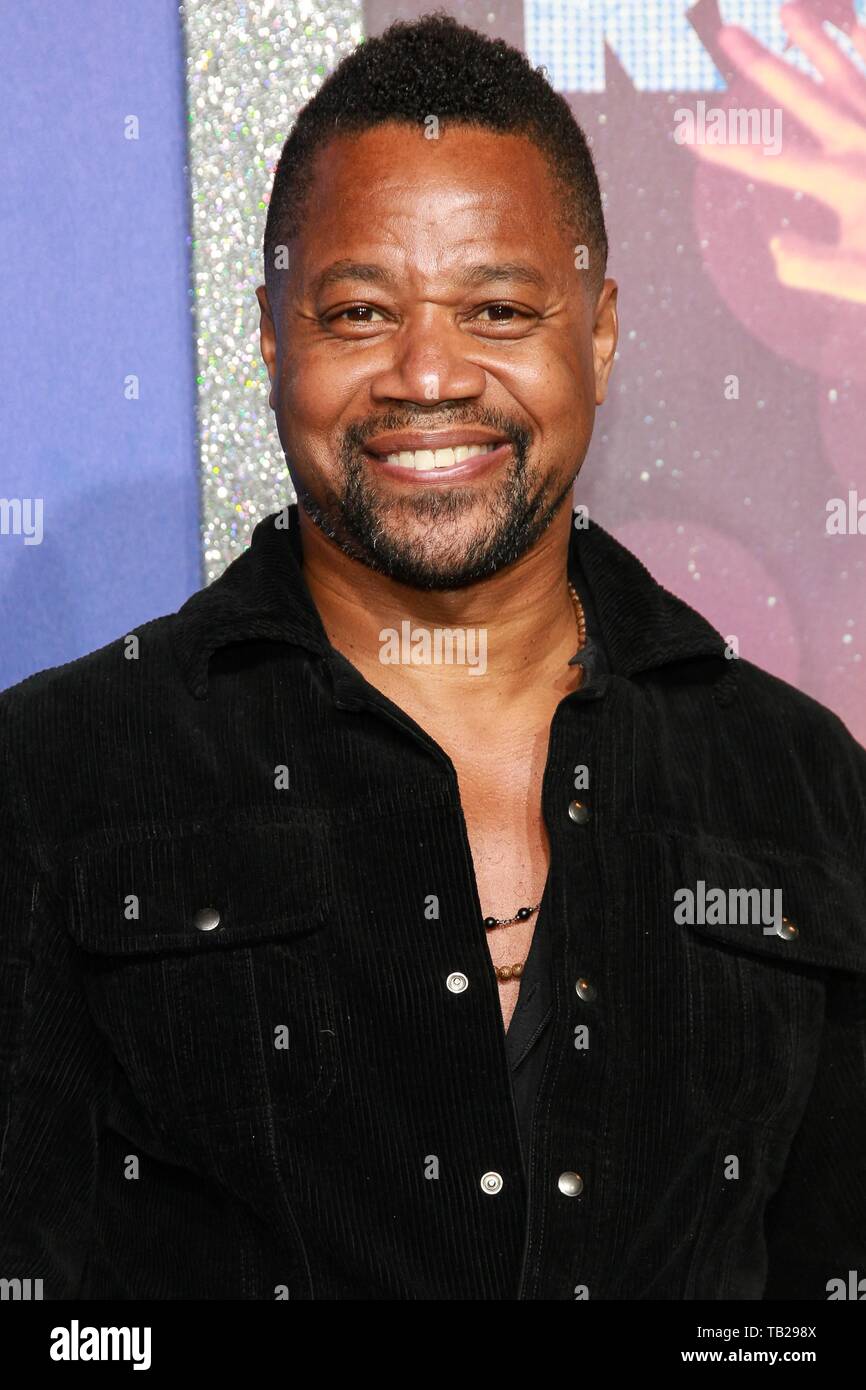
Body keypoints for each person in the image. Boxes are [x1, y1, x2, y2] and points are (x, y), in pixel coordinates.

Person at [1, 13, 864, 1301]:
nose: (426, 374)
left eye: (499, 308)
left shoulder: (798, 783)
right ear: (271, 335)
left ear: (602, 330)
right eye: (359, 311)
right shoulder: (60, 774)